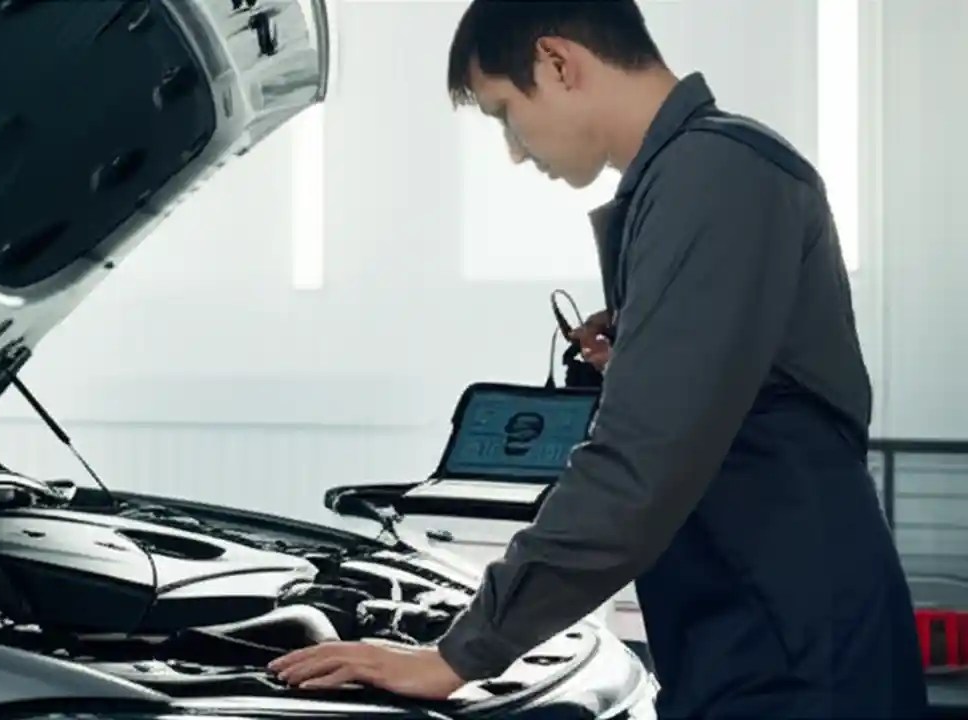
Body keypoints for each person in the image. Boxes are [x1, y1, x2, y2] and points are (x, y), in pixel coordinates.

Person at [268, 1, 930, 717]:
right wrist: (641, 351)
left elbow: (637, 464)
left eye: (503, 113)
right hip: (754, 634)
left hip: (793, 657)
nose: (516, 150)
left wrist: (458, 655)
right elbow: (739, 401)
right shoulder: (699, 174)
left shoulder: (715, 174)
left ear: (558, 63)